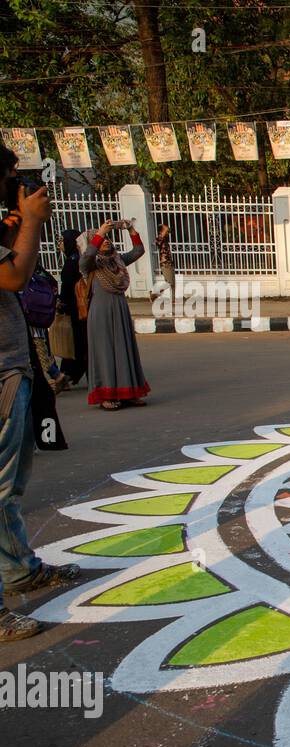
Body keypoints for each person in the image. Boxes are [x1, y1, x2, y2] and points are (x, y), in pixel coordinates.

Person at [0, 151, 81, 641]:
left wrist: (16, 222)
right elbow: (14, 275)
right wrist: (29, 221)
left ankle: (19, 569)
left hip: (11, 367)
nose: (14, 186)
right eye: (9, 179)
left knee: (9, 487)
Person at [83, 218, 151, 409]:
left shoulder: (117, 260)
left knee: (124, 350)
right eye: (102, 239)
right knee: (105, 353)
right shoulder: (90, 265)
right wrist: (100, 233)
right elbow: (87, 256)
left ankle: (129, 392)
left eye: (108, 238)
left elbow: (139, 251)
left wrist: (130, 229)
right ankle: (106, 396)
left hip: (120, 309)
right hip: (100, 314)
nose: (106, 241)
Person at [55, 228, 87, 385]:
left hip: (76, 308)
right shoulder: (81, 259)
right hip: (84, 307)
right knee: (83, 344)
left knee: (75, 343)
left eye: (62, 241)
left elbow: (68, 287)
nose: (60, 245)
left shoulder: (71, 263)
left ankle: (66, 376)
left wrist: (62, 303)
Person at [154, 222, 174, 304]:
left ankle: (173, 300)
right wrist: (163, 230)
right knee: (169, 283)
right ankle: (154, 294)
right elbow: (157, 242)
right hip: (165, 264)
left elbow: (168, 230)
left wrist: (165, 229)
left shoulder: (165, 239)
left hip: (169, 263)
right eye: (165, 230)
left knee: (173, 283)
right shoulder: (159, 239)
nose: (167, 231)